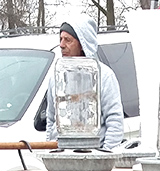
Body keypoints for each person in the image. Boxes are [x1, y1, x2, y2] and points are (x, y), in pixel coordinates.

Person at [46, 15, 124, 152]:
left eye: (68, 40)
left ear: (82, 43)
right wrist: (50, 150)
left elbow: (115, 121)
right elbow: (51, 120)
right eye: (60, 39)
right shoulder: (55, 77)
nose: (61, 45)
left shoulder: (104, 76)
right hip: (61, 156)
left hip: (93, 157)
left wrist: (104, 156)